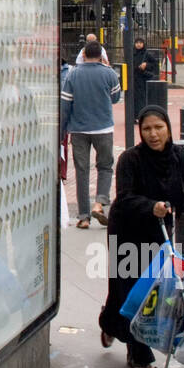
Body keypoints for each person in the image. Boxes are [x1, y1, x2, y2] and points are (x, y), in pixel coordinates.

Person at [100, 105, 184, 368]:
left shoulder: (180, 157)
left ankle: (111, 324)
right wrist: (150, 206)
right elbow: (125, 197)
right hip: (128, 230)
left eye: (158, 127)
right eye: (147, 129)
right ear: (141, 131)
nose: (153, 134)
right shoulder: (130, 159)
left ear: (168, 129)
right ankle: (138, 352)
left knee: (155, 290)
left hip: (160, 233)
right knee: (130, 290)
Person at [60, 39, 121, 228]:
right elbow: (116, 98)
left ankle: (84, 216)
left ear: (84, 55)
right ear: (102, 56)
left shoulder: (73, 75)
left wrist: (62, 130)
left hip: (78, 129)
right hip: (103, 128)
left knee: (82, 172)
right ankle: (99, 203)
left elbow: (65, 105)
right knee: (105, 167)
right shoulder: (109, 74)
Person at [132, 36, 160, 117]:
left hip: (143, 79)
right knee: (134, 98)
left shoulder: (147, 54)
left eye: (140, 43)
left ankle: (142, 115)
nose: (138, 45)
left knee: (142, 98)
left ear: (143, 44)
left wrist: (146, 65)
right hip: (134, 79)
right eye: (137, 43)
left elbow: (155, 65)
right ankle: (135, 115)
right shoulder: (132, 53)